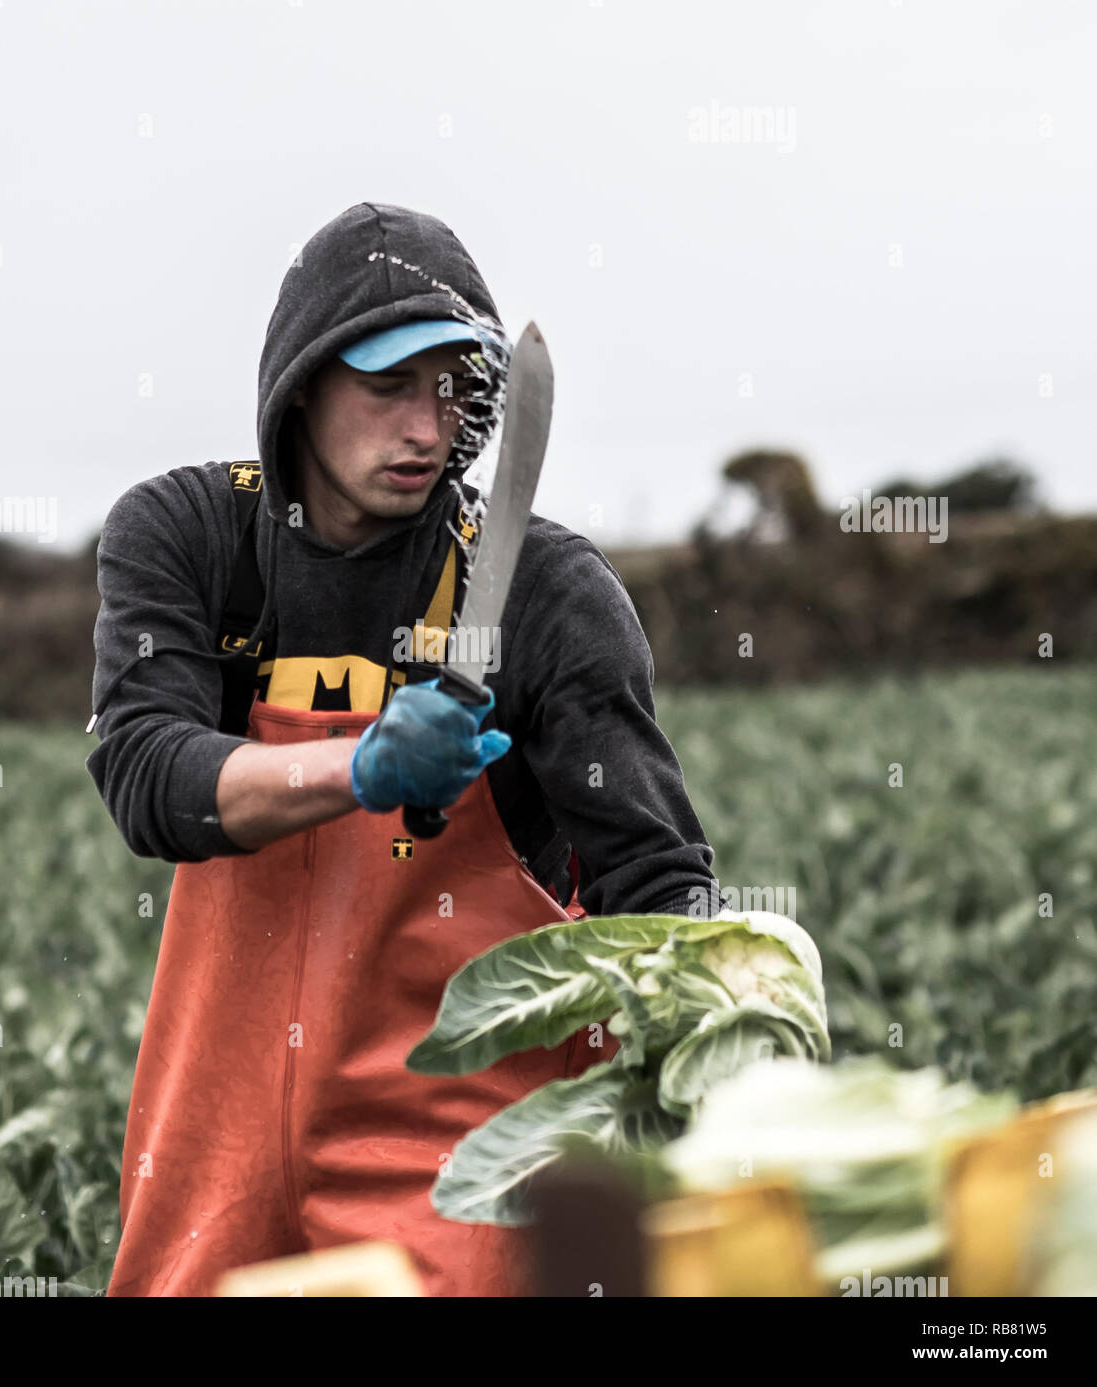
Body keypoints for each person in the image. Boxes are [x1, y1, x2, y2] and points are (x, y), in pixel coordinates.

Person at [85, 201, 721, 1297]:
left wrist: (710, 1040)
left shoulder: (546, 593)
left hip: (457, 1159)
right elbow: (149, 779)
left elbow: (655, 879)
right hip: (214, 1143)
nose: (427, 430)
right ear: (301, 384)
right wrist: (360, 770)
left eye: (452, 390)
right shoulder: (192, 541)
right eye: (388, 387)